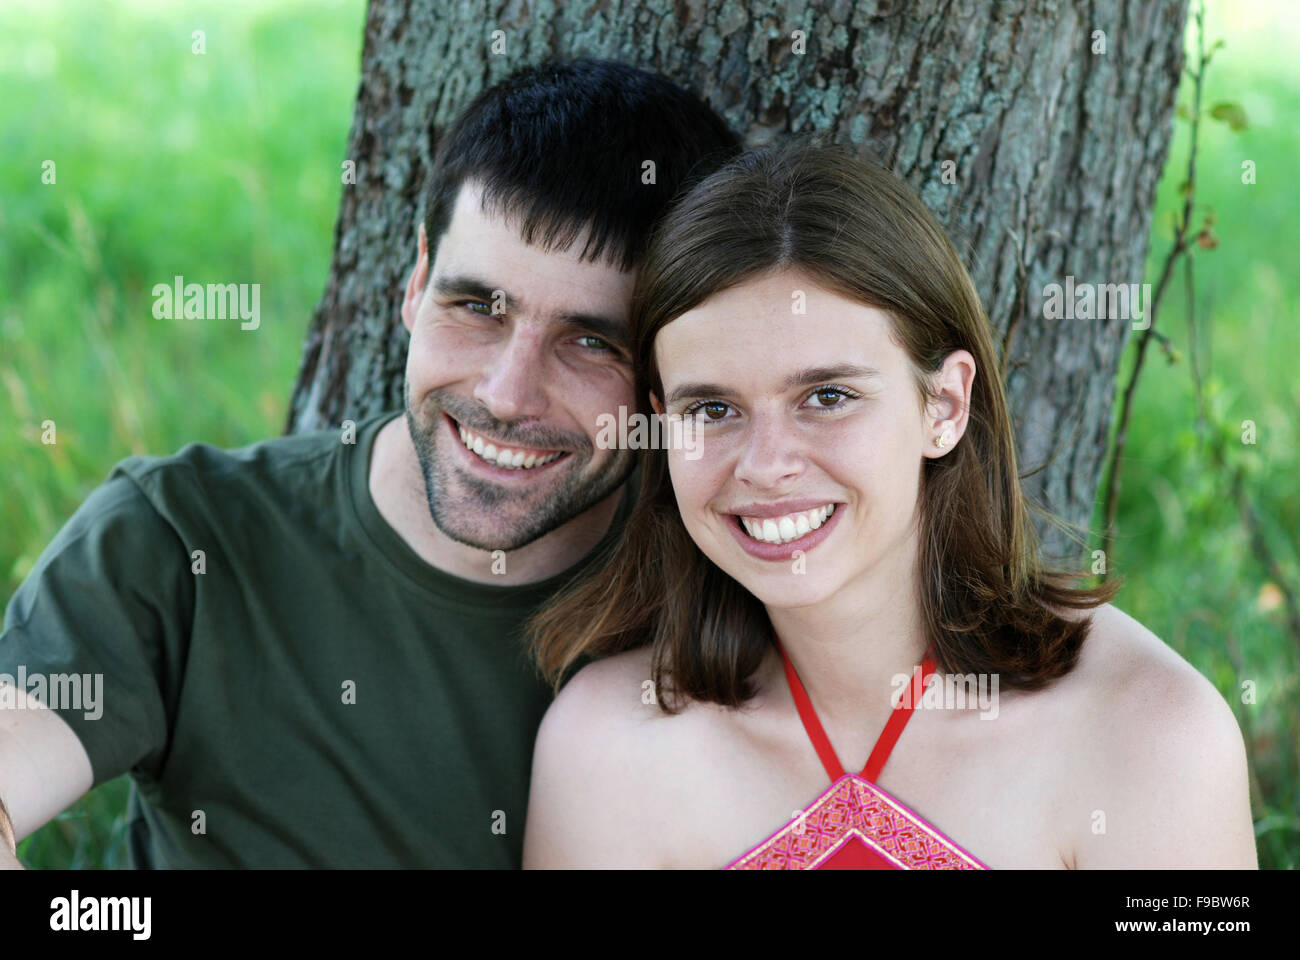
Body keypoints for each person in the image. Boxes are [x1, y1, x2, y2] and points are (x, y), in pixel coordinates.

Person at [0, 58, 740, 869]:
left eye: (592, 341)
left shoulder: (721, 600)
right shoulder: (179, 539)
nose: (506, 394)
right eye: (475, 307)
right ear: (416, 281)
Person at [521, 142, 1258, 869]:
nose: (766, 464)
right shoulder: (608, 745)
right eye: (712, 409)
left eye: (827, 397)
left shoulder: (1147, 736)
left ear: (944, 403)